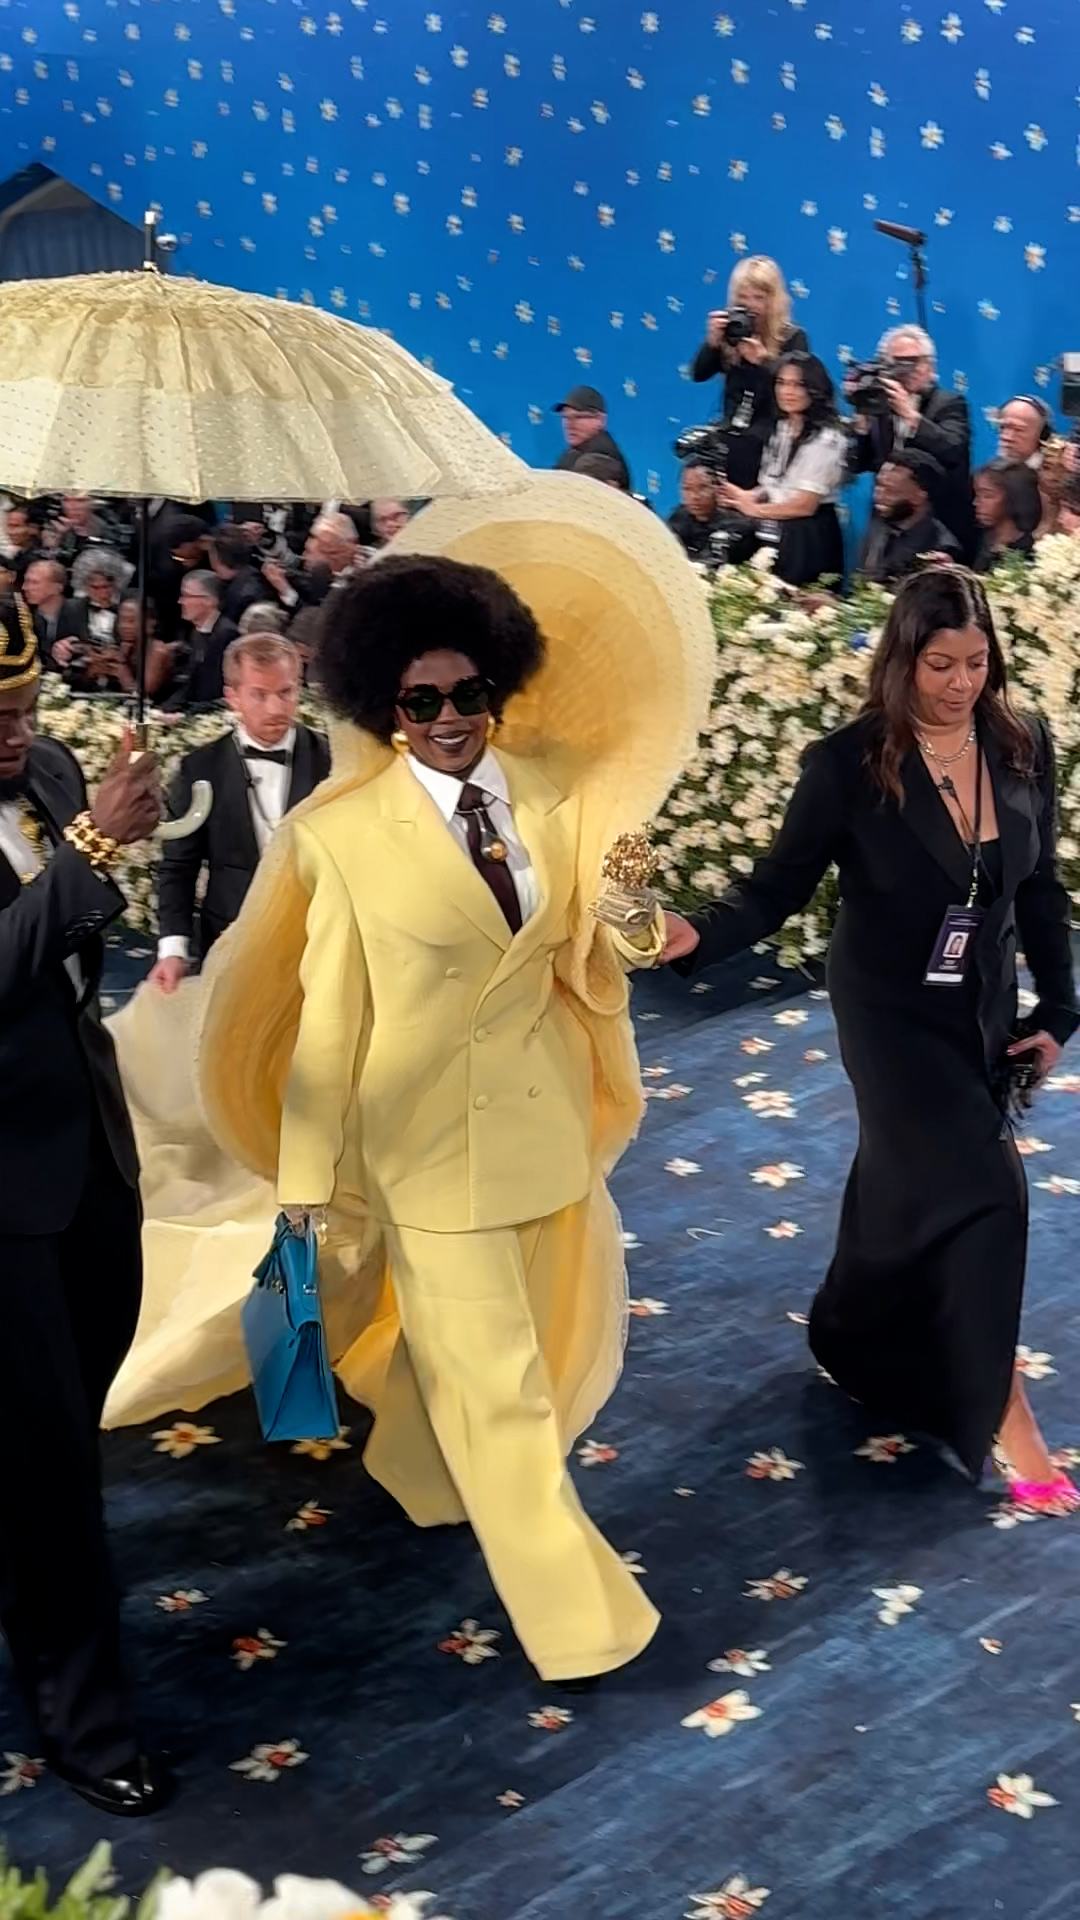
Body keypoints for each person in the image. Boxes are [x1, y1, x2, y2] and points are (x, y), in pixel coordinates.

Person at [102, 476, 714, 1686]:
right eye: (420, 699)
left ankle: (418, 1472)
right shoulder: (341, 836)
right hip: (424, 1152)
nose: (446, 716)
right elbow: (330, 1025)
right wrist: (306, 1182)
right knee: (504, 1399)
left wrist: (649, 907)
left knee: (512, 1360)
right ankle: (584, 1623)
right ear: (386, 706)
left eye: (466, 693)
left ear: (497, 685)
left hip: (544, 1136)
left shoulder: (561, 801)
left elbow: (626, 922)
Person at [662, 565, 1080, 1511]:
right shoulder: (848, 764)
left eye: (976, 662)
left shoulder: (1024, 744)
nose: (960, 683)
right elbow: (775, 889)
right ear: (902, 659)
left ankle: (850, 1336)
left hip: (978, 1003)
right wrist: (696, 936)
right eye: (940, 663)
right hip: (887, 1013)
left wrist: (1056, 1013)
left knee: (906, 1181)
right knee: (984, 1186)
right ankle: (1006, 1411)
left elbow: (1039, 890)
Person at [0, 600, 170, 1812]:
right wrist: (92, 860)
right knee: (48, 1467)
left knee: (73, 1428)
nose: (19, 731)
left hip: (93, 1161)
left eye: (24, 705)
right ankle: (84, 1725)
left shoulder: (52, 767)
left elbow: (65, 952)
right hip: (1, 1197)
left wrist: (118, 839)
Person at [149, 634, 330, 990]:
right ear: (232, 696)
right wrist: (172, 949)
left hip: (324, 942)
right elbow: (178, 867)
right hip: (230, 940)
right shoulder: (199, 768)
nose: (276, 708)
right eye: (260, 695)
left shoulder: (334, 762)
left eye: (287, 692)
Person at [716, 353, 847, 587]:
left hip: (808, 536)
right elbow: (773, 485)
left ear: (814, 389)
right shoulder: (782, 429)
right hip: (776, 529)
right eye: (782, 383)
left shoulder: (827, 438)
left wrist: (755, 510)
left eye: (798, 385)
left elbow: (804, 505)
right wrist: (746, 496)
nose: (787, 391)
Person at [847, 326, 975, 560]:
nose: (909, 370)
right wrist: (862, 423)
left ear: (931, 366)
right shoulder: (878, 405)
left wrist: (910, 415)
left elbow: (953, 449)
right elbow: (856, 463)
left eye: (915, 362)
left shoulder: (949, 404)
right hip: (886, 522)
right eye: (899, 362)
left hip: (937, 525)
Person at [689, 256, 809, 490]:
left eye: (758, 298)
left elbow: (797, 395)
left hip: (771, 440)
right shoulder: (732, 330)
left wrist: (764, 361)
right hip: (733, 434)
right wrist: (712, 342)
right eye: (743, 298)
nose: (751, 305)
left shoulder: (793, 338)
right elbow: (698, 374)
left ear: (772, 300)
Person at [858, 449, 962, 586]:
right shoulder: (878, 526)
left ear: (920, 495)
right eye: (878, 486)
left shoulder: (941, 548)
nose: (878, 496)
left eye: (890, 490)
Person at [161, 570, 239, 710]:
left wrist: (185, 716)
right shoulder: (196, 633)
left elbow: (217, 692)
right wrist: (164, 710)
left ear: (210, 600)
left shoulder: (227, 636)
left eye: (187, 596)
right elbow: (191, 683)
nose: (180, 602)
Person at [261, 511, 360, 612]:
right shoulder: (320, 578)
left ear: (331, 556)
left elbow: (317, 621)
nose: (304, 556)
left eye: (309, 552)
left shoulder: (350, 590)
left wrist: (285, 590)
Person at [553, 385, 631, 492]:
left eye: (579, 417)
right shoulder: (574, 453)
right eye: (565, 417)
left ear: (601, 420)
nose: (569, 424)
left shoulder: (602, 459)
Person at [972, 460, 1042, 573]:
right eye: (977, 495)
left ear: (1014, 498)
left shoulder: (1028, 553)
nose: (976, 503)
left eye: (987, 495)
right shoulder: (982, 538)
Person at [22, 557, 87, 666]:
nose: (25, 587)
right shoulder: (22, 615)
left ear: (57, 588)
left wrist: (76, 647)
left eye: (34, 582)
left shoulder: (81, 611)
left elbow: (91, 645)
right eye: (26, 581)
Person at [667, 460, 725, 563]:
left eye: (702, 488)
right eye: (687, 489)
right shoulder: (679, 517)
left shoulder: (734, 525)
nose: (694, 496)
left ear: (718, 488)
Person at [997, 395, 1053, 470]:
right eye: (1003, 427)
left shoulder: (1056, 476)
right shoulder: (992, 472)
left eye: (1018, 430)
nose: (1006, 437)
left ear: (1042, 435)